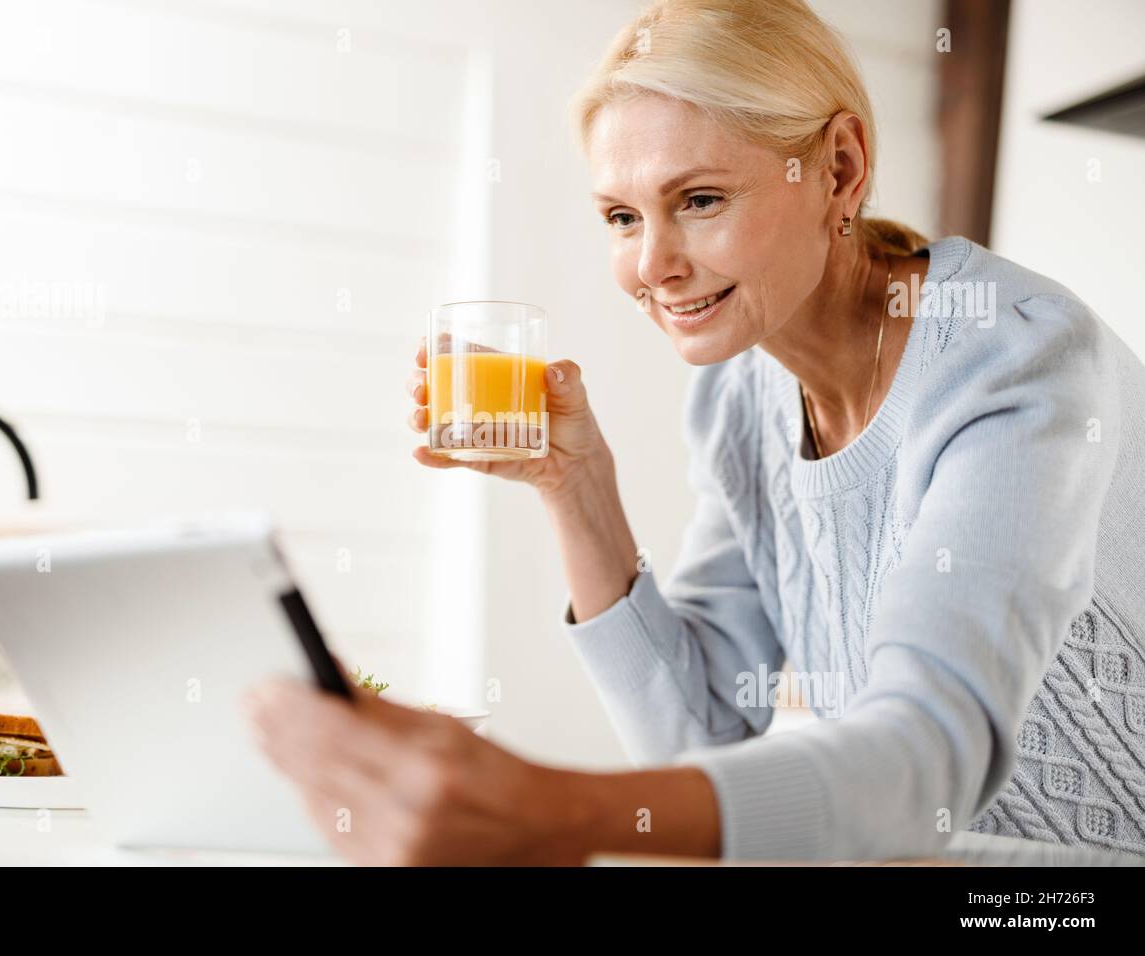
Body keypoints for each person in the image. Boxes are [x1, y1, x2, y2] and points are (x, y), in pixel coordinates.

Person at [242, 0, 1145, 864]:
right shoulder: (741, 396)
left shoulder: (1015, 360)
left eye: (702, 199)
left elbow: (926, 755)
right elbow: (701, 735)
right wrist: (577, 487)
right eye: (621, 217)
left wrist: (549, 812)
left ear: (839, 168)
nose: (651, 266)